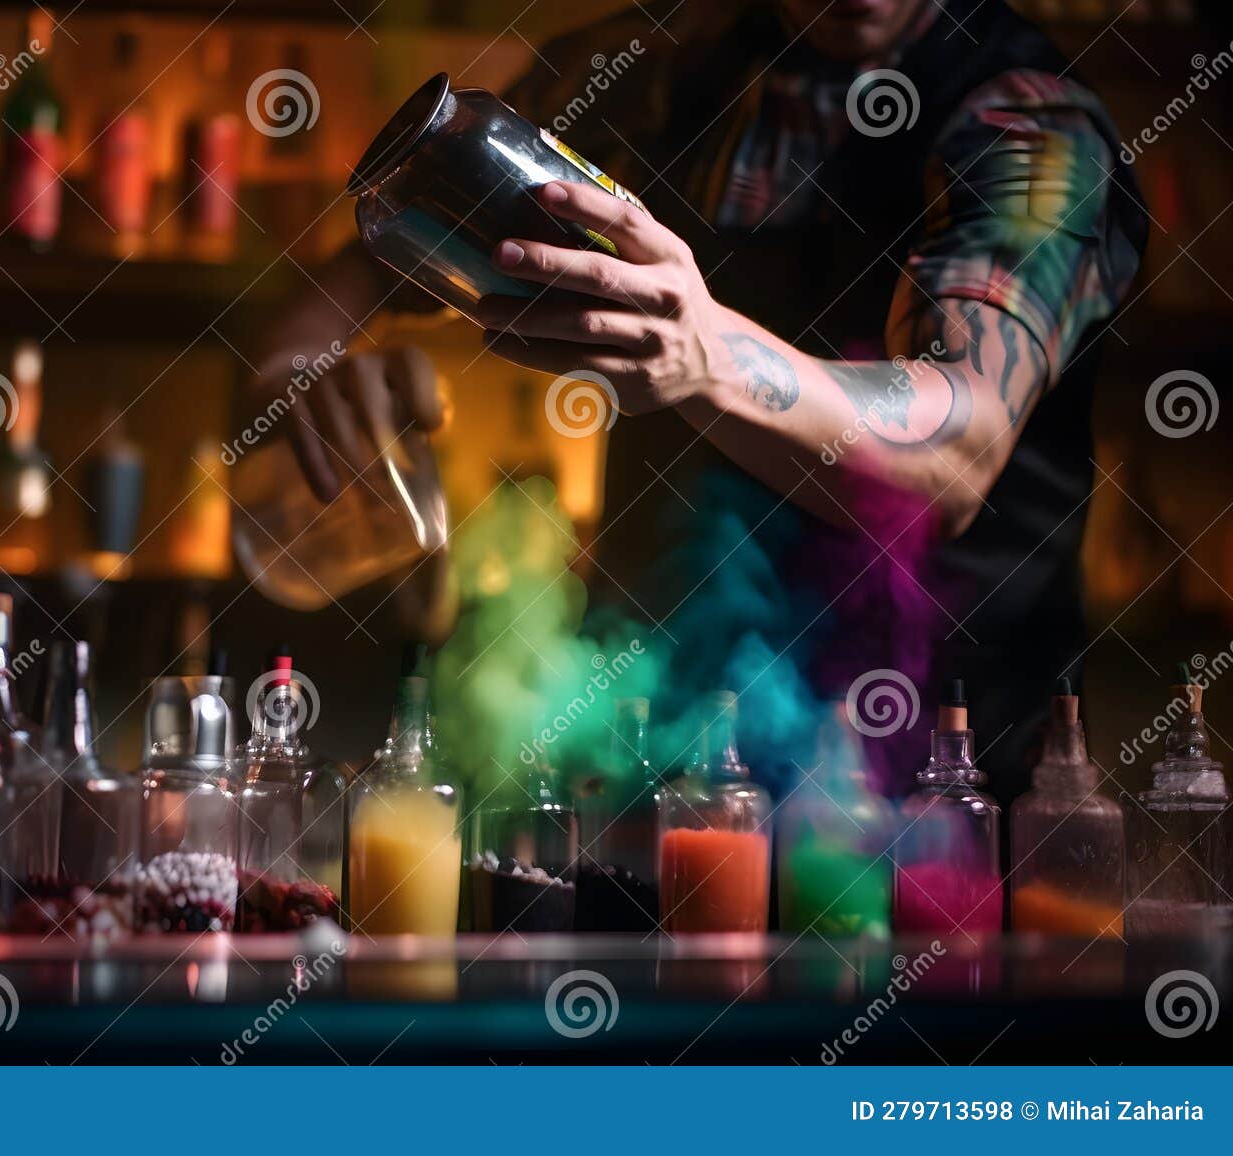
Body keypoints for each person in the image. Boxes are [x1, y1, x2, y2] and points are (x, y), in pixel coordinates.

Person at [241, 0, 1146, 798]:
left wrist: (708, 355)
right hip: (645, 731)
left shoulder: (1027, 123)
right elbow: (374, 243)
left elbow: (962, 442)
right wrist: (292, 369)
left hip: (936, 771)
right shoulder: (659, 60)